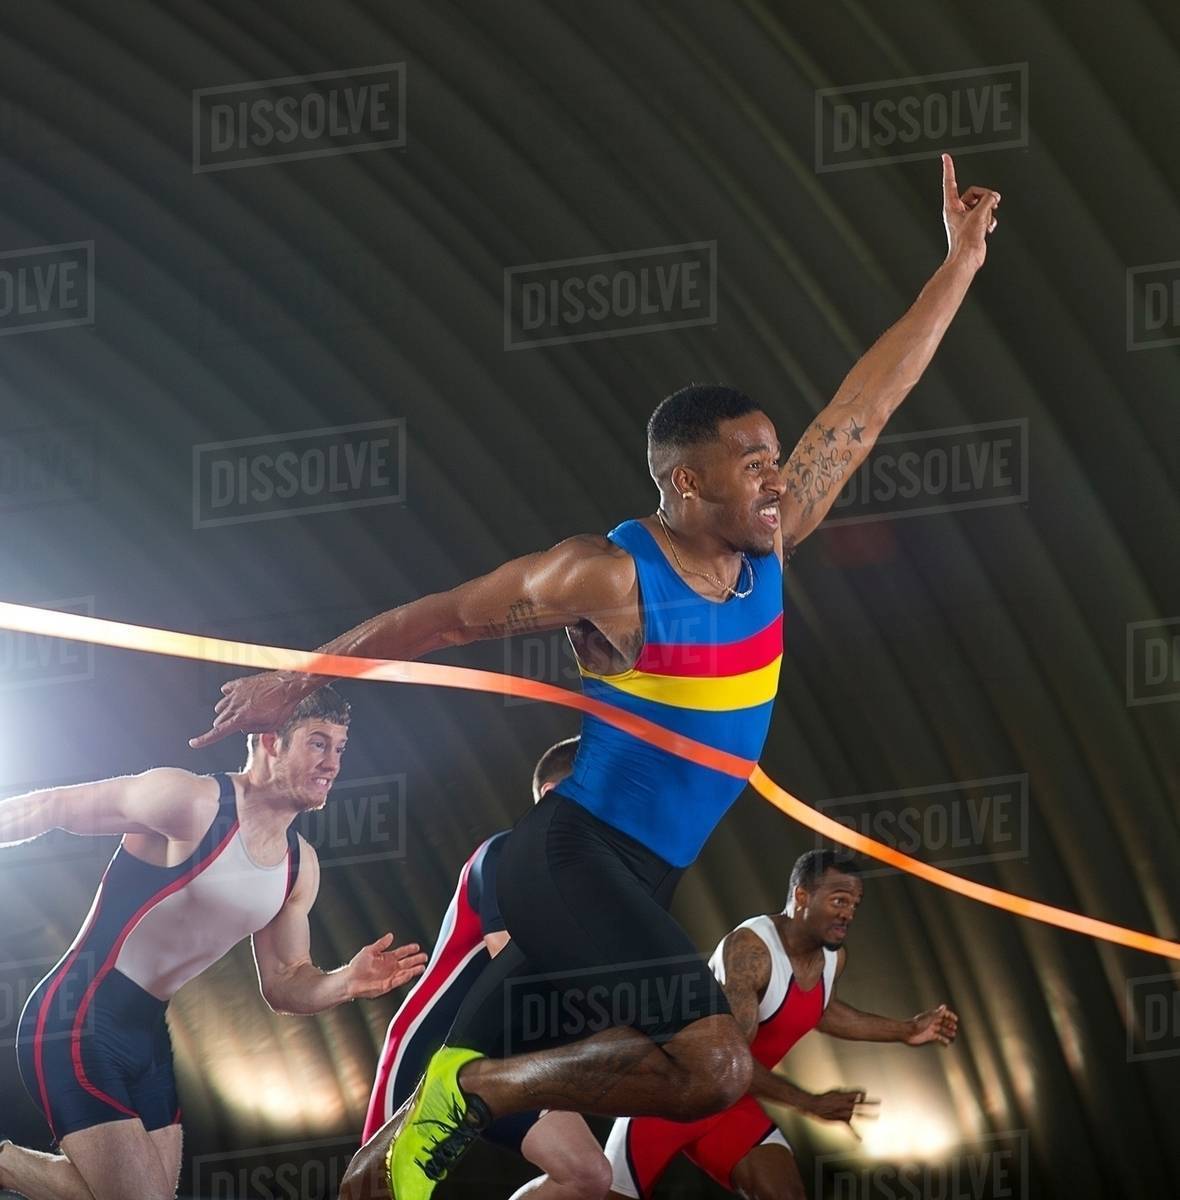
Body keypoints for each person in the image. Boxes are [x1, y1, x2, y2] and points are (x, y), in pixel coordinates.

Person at [188, 155, 1000, 1200]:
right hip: (568, 861)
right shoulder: (610, 576)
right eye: (752, 462)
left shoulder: (772, 542)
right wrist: (295, 683)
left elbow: (867, 405)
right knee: (712, 1067)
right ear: (685, 480)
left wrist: (960, 261)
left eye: (773, 458)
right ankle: (476, 1089)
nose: (777, 475)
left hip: (635, 881)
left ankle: (444, 1105)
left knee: (380, 1184)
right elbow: (440, 619)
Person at [0, 688, 427, 1200]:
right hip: (77, 1016)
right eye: (318, 744)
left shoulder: (299, 866)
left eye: (339, 748)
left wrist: (343, 983)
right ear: (271, 741)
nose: (332, 763)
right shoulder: (191, 802)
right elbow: (53, 806)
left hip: (148, 1036)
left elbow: (286, 983)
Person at [342, 737, 611, 1200]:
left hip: (502, 1062)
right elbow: (511, 965)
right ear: (552, 798)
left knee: (588, 1175)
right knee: (377, 1191)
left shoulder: (582, 887)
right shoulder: (506, 854)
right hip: (431, 1051)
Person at [603, 850, 958, 1200]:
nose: (848, 913)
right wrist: (808, 1103)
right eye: (839, 901)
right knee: (587, 1189)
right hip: (671, 1097)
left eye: (854, 905)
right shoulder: (751, 950)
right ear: (801, 896)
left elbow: (822, 1011)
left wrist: (906, 1030)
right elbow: (729, 1061)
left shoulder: (833, 958)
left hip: (727, 1104)